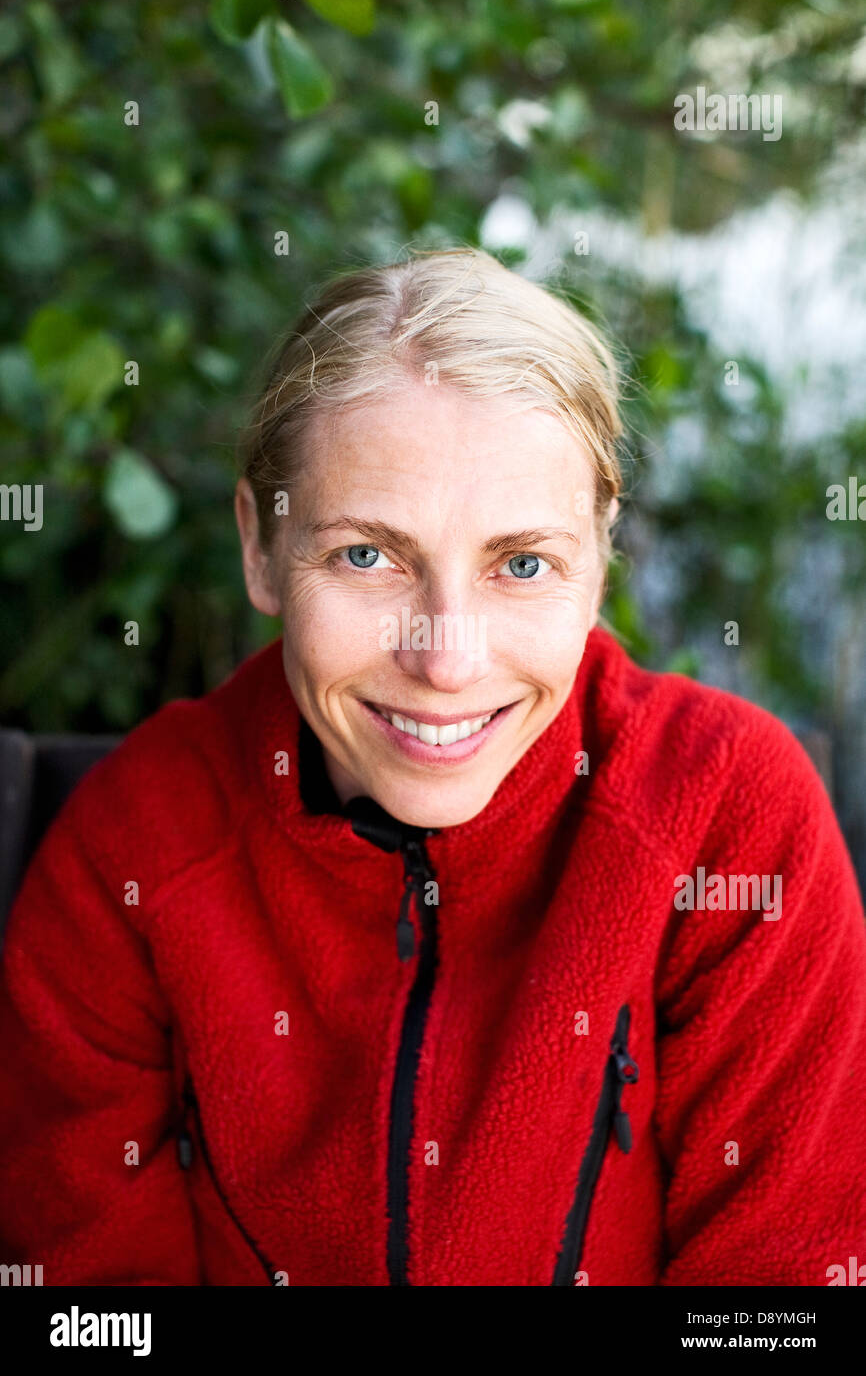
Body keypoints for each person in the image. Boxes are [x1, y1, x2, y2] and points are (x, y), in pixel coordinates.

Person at [0, 247, 864, 1287]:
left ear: (597, 556)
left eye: (521, 564)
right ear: (259, 547)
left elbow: (778, 1295)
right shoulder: (133, 845)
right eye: (367, 555)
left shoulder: (728, 814)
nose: (445, 658)